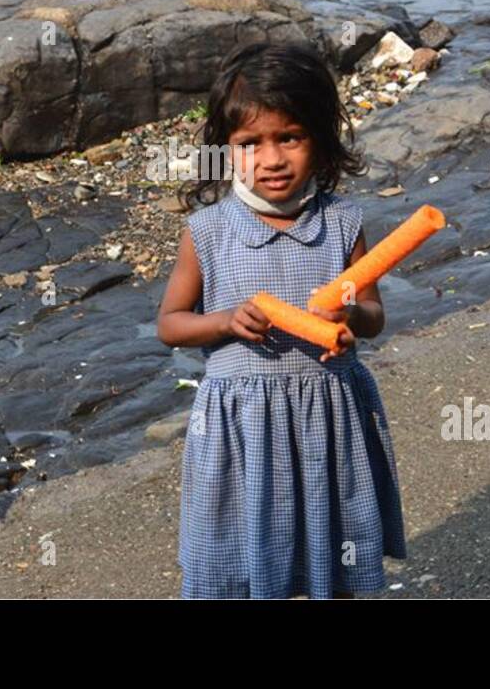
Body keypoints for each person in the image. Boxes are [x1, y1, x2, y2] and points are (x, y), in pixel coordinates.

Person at [156, 41, 407, 599]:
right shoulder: (209, 232)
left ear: (319, 139)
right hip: (240, 426)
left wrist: (349, 315)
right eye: (249, 144)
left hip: (329, 414)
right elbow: (171, 324)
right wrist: (223, 321)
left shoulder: (343, 223)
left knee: (329, 544)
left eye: (289, 138)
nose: (271, 159)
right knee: (235, 553)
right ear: (226, 151)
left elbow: (373, 316)